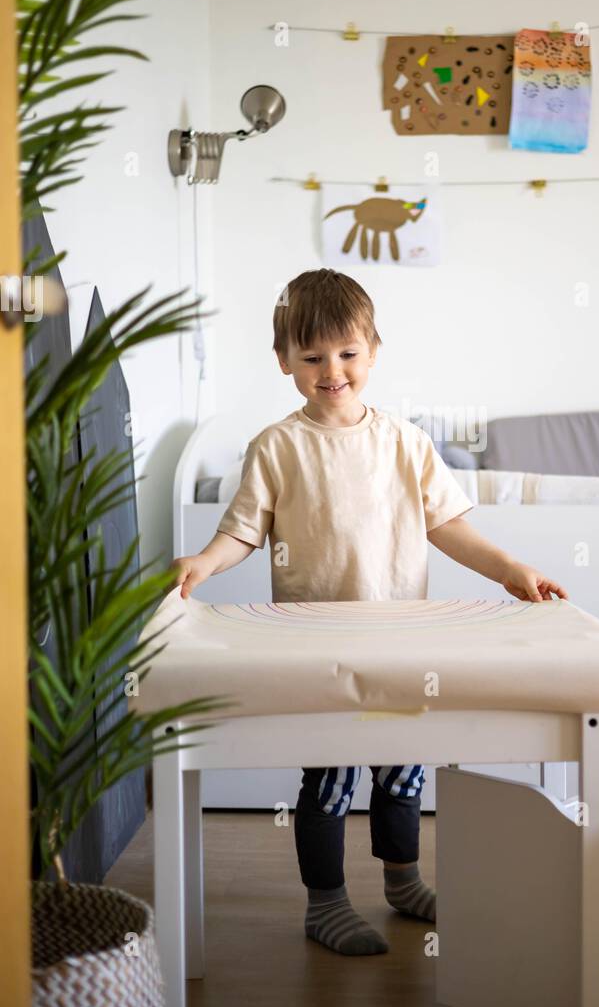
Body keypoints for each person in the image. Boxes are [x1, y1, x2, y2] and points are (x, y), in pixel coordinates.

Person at [172, 268, 567, 955]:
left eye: (348, 353)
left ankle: (403, 882)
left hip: (400, 640)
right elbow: (243, 531)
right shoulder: (277, 446)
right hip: (317, 645)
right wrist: (203, 563)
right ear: (285, 362)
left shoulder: (406, 443)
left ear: (374, 350)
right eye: (313, 357)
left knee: (402, 768)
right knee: (328, 775)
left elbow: (449, 527)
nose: (333, 371)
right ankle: (324, 903)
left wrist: (510, 570)